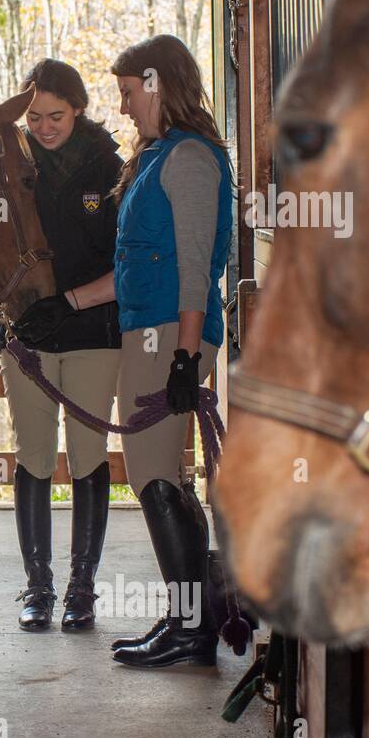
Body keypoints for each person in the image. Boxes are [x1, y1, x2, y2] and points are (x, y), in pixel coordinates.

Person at [108, 34, 234, 668]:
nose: (125, 106)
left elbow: (193, 268)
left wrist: (185, 357)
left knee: (152, 475)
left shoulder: (187, 159)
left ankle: (190, 628)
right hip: (154, 329)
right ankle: (193, 620)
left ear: (156, 84)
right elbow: (136, 262)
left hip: (170, 333)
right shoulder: (163, 156)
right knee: (164, 477)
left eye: (130, 92)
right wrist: (66, 305)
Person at [0, 59, 123, 632]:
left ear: (78, 109)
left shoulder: (111, 168)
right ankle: (39, 586)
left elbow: (126, 262)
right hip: (28, 333)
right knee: (34, 456)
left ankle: (82, 587)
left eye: (57, 115)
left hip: (93, 331)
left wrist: (70, 302)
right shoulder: (13, 167)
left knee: (89, 456)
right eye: (36, 116)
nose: (45, 127)